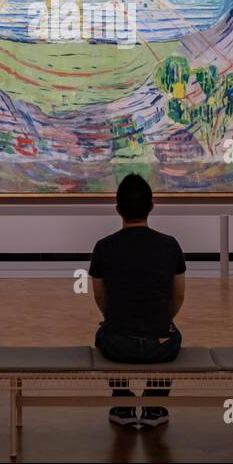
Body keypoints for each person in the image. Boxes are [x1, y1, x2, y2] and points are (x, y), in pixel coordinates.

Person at [88, 173, 186, 429]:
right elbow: (178, 295)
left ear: (118, 209)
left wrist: (116, 319)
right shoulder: (170, 245)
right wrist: (161, 321)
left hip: (118, 344)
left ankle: (122, 401)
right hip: (161, 345)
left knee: (101, 334)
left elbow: (100, 296)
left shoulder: (103, 247)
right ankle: (155, 403)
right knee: (174, 335)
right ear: (152, 206)